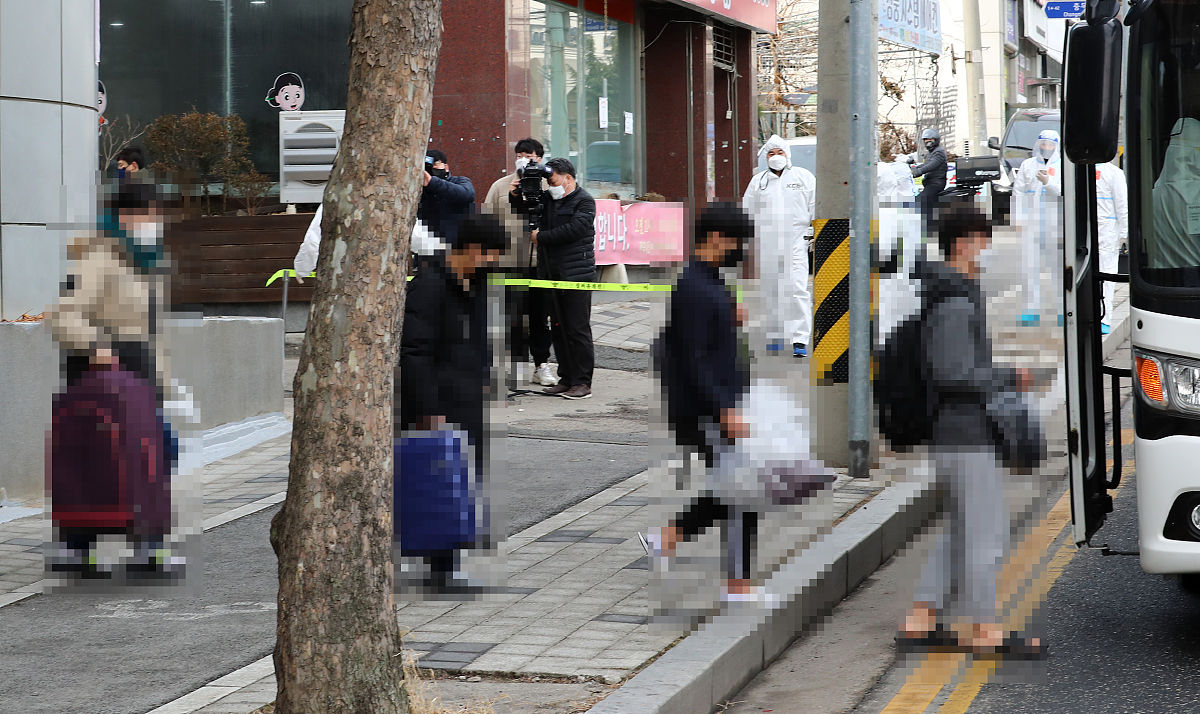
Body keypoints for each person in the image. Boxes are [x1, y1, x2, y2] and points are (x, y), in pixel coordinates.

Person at [896, 203, 1043, 657]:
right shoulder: (955, 302)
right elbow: (954, 372)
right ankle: (985, 629)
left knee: (961, 529)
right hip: (965, 432)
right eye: (984, 241)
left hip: (956, 432)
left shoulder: (953, 294)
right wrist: (1008, 376)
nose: (989, 250)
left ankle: (921, 619)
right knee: (987, 532)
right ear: (963, 244)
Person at [44, 182, 192, 578]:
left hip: (138, 376)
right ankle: (83, 550)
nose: (156, 223)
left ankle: (142, 548)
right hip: (102, 376)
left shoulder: (146, 261)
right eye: (150, 215)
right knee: (102, 462)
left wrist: (165, 382)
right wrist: (97, 347)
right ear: (127, 218)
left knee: (152, 457)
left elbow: (152, 330)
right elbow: (64, 315)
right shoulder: (101, 257)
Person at [645, 202, 771, 603]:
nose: (742, 250)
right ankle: (735, 583)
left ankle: (669, 538)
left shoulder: (710, 280)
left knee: (738, 486)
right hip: (705, 409)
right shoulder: (695, 287)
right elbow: (694, 358)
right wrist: (724, 410)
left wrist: (729, 318)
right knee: (741, 488)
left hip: (717, 403)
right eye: (737, 242)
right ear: (715, 238)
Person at [398, 213, 507, 589]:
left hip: (467, 398)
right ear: (474, 249)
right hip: (437, 403)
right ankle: (440, 568)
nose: (494, 264)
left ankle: (449, 560)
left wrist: (485, 377)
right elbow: (414, 351)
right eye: (492, 255)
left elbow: (479, 339)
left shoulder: (475, 284)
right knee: (438, 483)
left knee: (463, 481)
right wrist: (428, 409)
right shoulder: (430, 284)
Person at [508, 157, 597, 400]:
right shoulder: (549, 199)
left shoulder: (585, 201)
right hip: (551, 274)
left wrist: (541, 237)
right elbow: (526, 213)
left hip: (576, 275)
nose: (551, 185)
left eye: (554, 180)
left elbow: (574, 230)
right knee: (558, 328)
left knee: (577, 329)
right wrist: (516, 196)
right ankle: (566, 378)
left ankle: (582, 383)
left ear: (568, 178)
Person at [483, 138, 554, 387]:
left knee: (538, 318)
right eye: (520, 154)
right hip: (508, 262)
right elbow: (486, 221)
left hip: (539, 262)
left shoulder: (550, 186)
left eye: (529, 155)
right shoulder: (501, 186)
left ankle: (541, 365)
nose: (524, 158)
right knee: (509, 317)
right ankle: (511, 366)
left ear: (540, 158)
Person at [742, 134, 816, 358]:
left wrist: (814, 231)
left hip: (796, 240)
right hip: (768, 240)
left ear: (787, 155)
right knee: (773, 290)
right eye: (771, 154)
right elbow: (748, 211)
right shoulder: (759, 181)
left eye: (779, 152)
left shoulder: (803, 177)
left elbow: (814, 204)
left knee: (797, 289)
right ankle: (776, 335)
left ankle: (800, 339)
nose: (775, 157)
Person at [1012, 129, 1063, 327]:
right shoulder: (1028, 165)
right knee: (1029, 268)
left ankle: (1061, 310)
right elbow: (1018, 193)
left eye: (1050, 144)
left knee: (1057, 270)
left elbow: (1063, 192)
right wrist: (1017, 219)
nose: (1046, 148)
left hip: (1055, 224)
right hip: (1032, 224)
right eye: (1043, 144)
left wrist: (1048, 182)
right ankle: (1030, 310)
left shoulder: (1062, 166)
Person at [1095, 160, 1128, 335]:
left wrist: (1124, 233)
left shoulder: (1113, 173)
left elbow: (1122, 204)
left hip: (1107, 233)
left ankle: (1104, 318)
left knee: (1107, 275)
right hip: (1084, 231)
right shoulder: (1078, 170)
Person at [419, 148, 475, 246]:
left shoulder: (460, 181)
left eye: (436, 164)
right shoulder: (419, 190)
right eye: (428, 166)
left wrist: (433, 183)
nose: (432, 169)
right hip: (428, 248)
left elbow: (467, 195)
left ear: (446, 167)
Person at [909, 128, 949, 227]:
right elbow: (925, 165)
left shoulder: (939, 152)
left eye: (930, 140)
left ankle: (930, 227)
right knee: (924, 202)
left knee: (921, 200)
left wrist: (919, 171)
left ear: (936, 140)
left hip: (936, 184)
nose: (927, 142)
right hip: (930, 183)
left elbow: (932, 165)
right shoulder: (931, 153)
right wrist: (914, 168)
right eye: (925, 140)